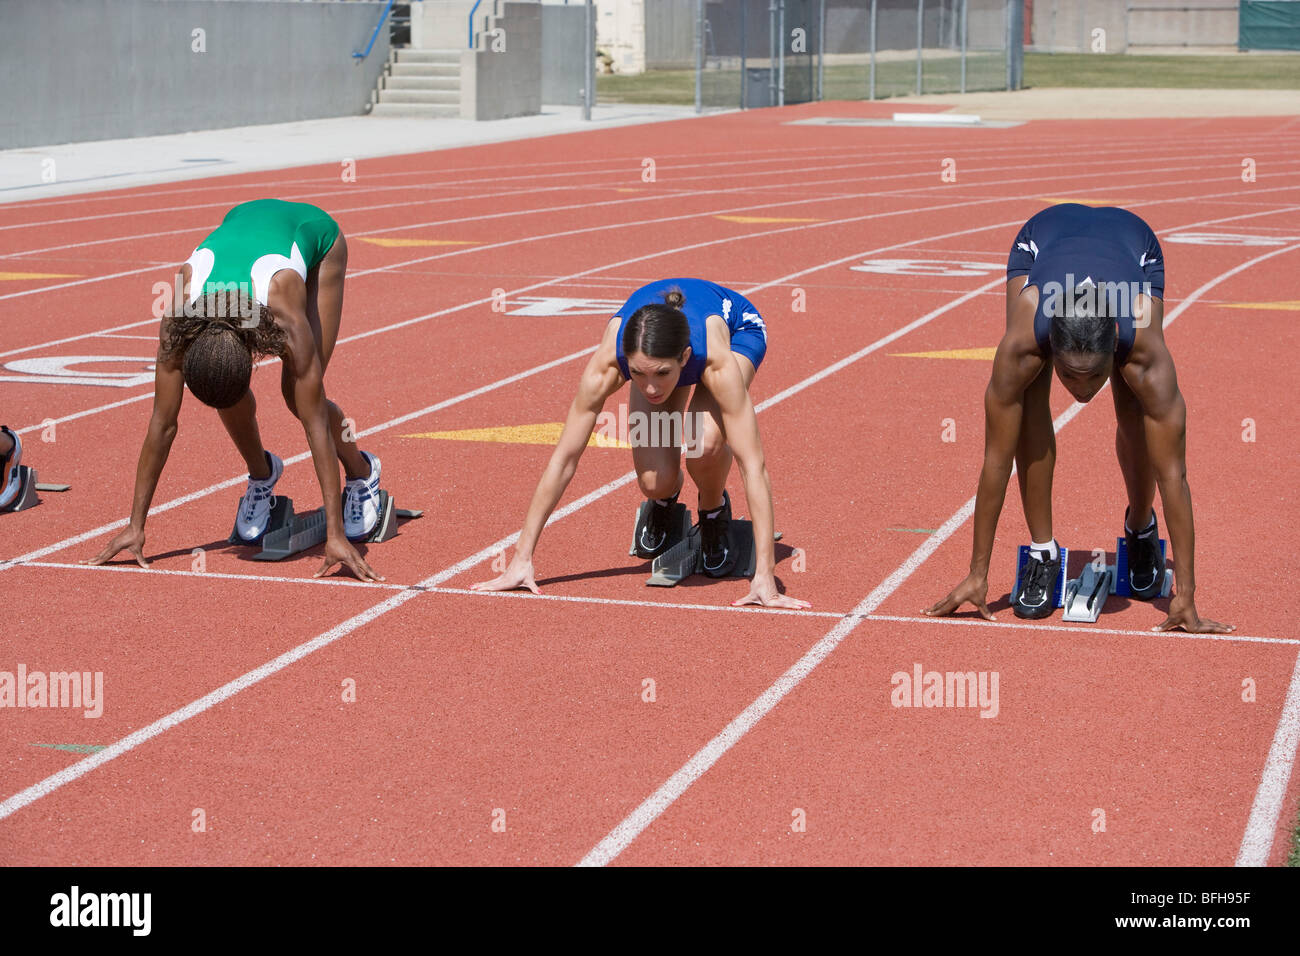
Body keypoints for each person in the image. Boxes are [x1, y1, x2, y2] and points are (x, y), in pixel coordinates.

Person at [924, 204, 1232, 633]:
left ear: (1115, 351)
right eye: (1068, 373)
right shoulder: (1023, 344)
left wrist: (1186, 595)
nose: (1082, 390)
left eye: (1095, 375)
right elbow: (996, 460)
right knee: (1028, 402)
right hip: (1042, 241)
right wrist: (978, 573)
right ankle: (1042, 552)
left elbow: (1174, 475)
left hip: (1134, 245)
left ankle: (1140, 527)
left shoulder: (1142, 348)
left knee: (1135, 411)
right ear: (1051, 345)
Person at [86, 199, 384, 581]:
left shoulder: (283, 306)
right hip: (241, 218)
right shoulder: (180, 313)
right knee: (223, 387)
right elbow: (162, 423)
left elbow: (313, 423)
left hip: (316, 236)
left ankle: (362, 472)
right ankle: (263, 474)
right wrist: (135, 524)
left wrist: (336, 534)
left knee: (298, 396)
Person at [472, 278, 808, 609]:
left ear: (684, 357)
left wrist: (765, 576)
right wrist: (521, 558)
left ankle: (713, 509)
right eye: (638, 374)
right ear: (626, 361)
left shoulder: (715, 361)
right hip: (665, 350)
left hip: (737, 332)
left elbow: (753, 465)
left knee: (704, 443)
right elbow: (564, 459)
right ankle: (664, 503)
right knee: (653, 482)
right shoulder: (608, 364)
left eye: (661, 374)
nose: (650, 389)